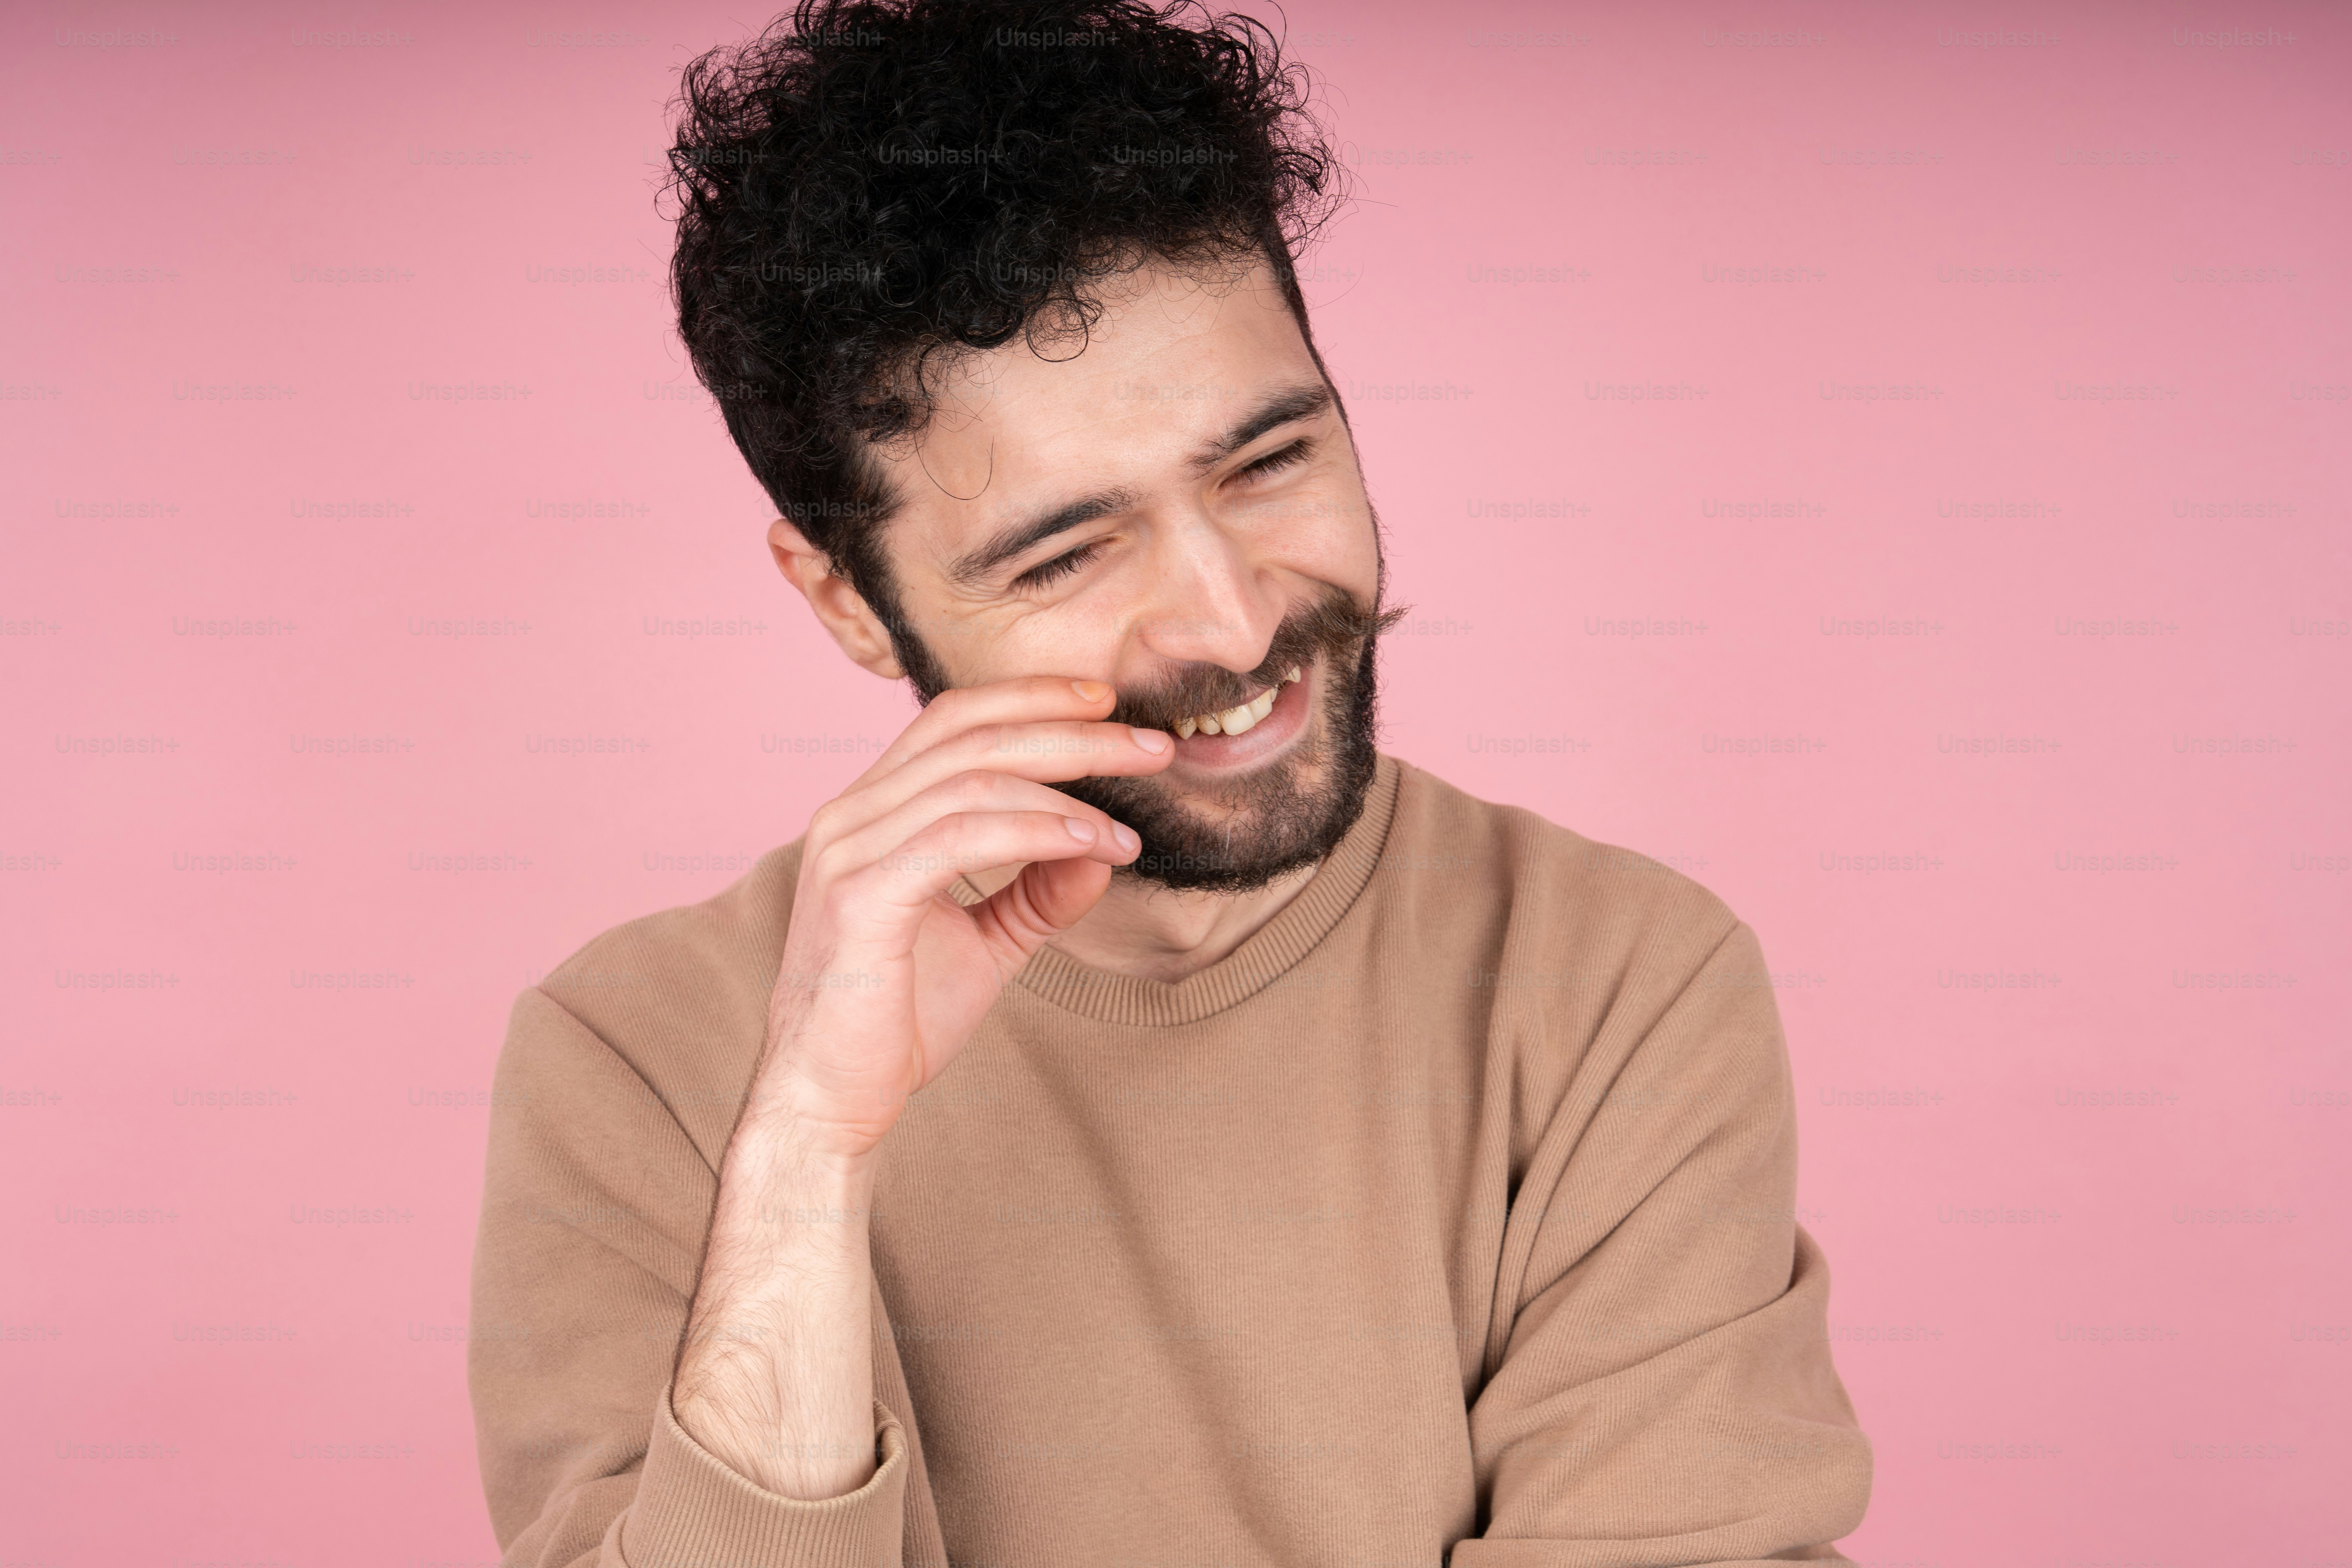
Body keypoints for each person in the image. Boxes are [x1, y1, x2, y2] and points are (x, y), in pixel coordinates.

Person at [466, 2, 1874, 1563]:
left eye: (1270, 461)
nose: (1238, 617)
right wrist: (807, 1147)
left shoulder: (1617, 980)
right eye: (1068, 551)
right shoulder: (634, 1062)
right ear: (850, 601)